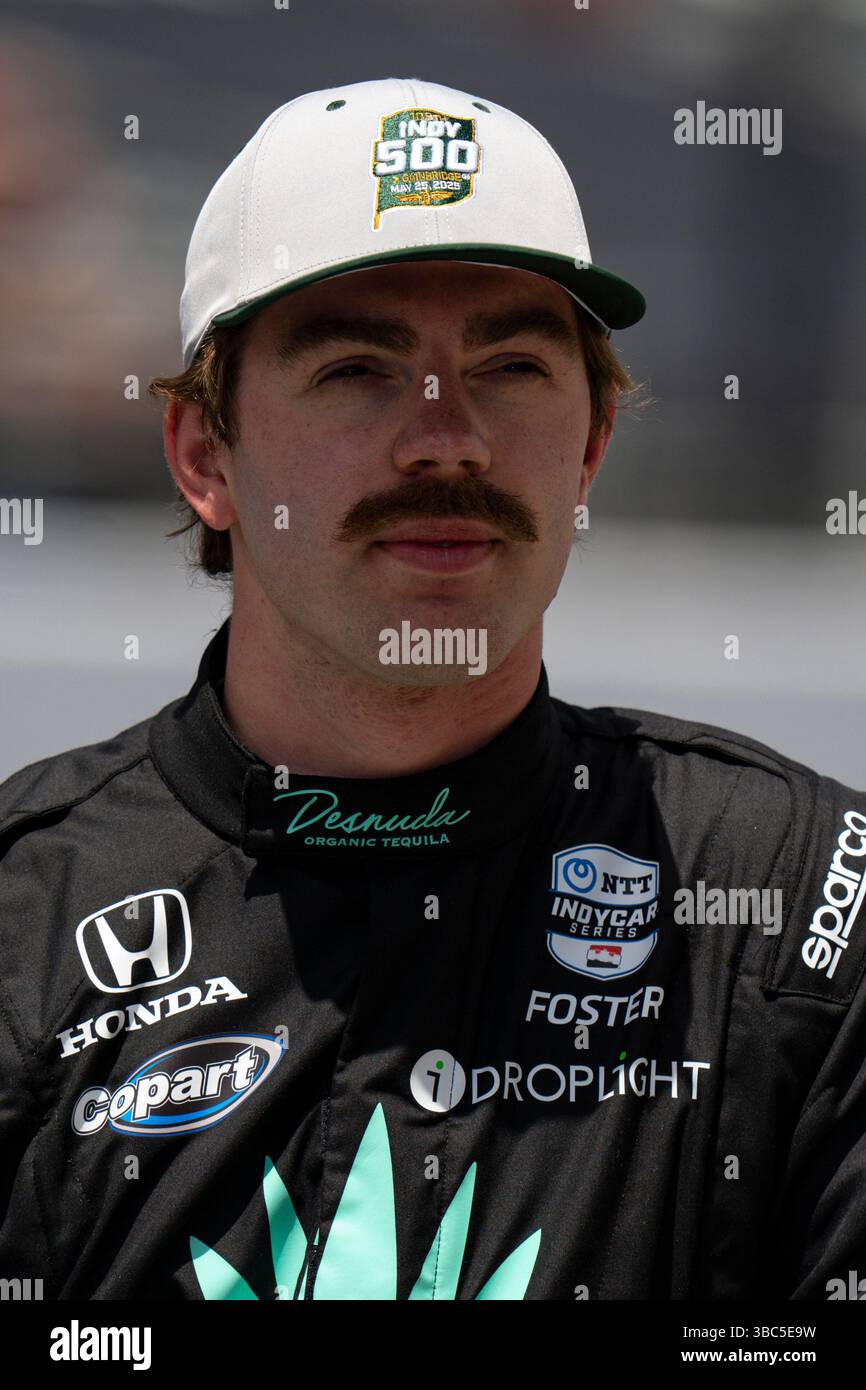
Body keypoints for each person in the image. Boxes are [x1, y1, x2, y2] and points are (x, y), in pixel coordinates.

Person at [1, 77, 864, 1303]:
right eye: (357, 368)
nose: (446, 437)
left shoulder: (806, 909)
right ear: (207, 455)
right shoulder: (22, 923)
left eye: (511, 365)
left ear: (589, 446)